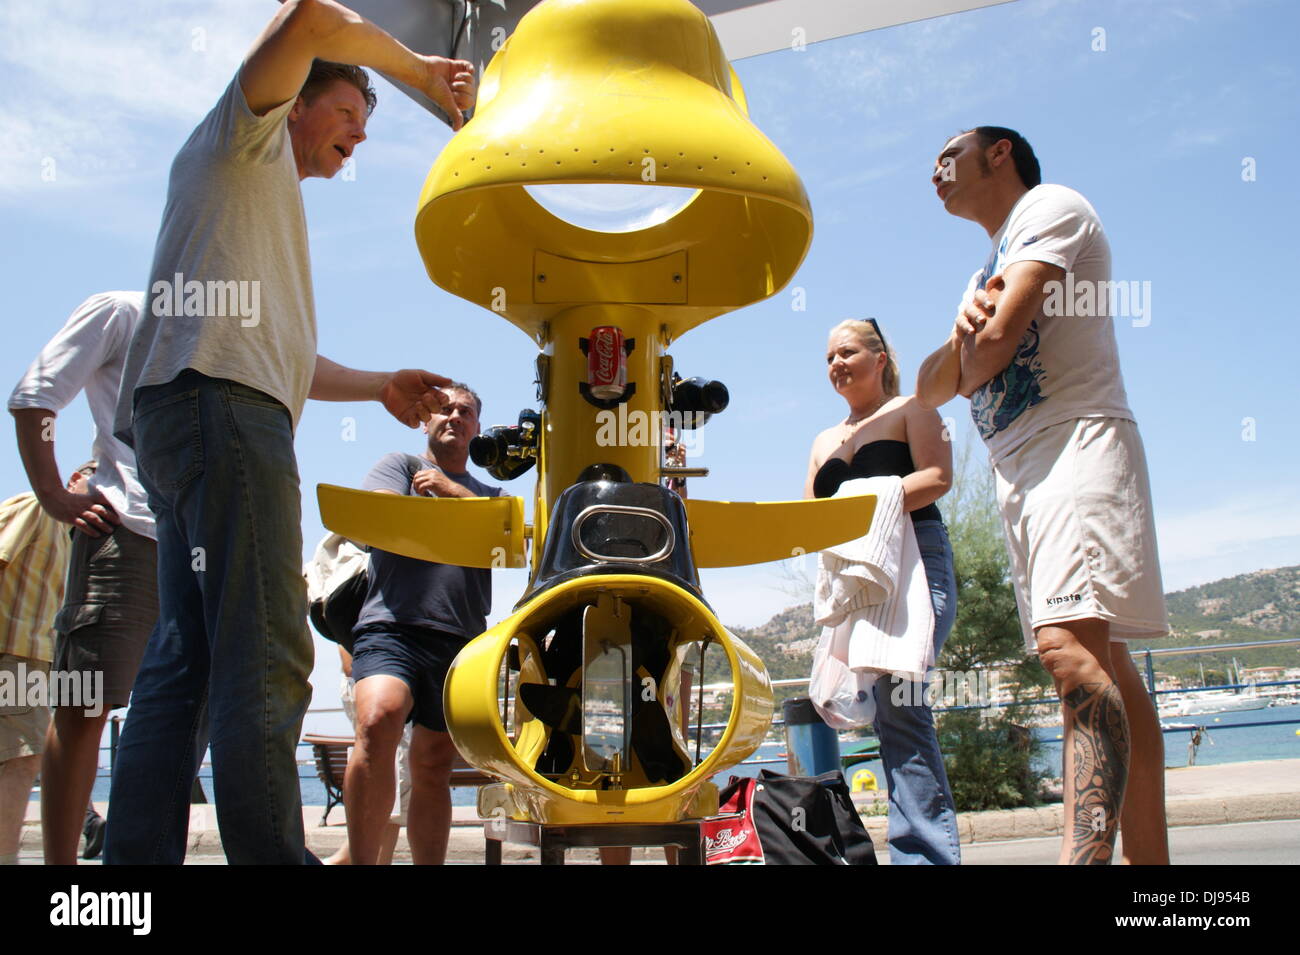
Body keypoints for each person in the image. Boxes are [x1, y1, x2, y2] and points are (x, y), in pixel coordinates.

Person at [105, 0, 476, 865]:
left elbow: (286, 360)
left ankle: (131, 875)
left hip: (187, 410)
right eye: (348, 111)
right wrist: (419, 71)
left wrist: (378, 383)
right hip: (224, 414)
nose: (359, 134)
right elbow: (309, 15)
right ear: (292, 102)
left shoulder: (254, 203)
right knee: (268, 643)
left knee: (186, 654)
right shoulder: (244, 137)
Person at [916, 126, 1168, 865]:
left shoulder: (1049, 208)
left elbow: (990, 348)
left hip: (1072, 446)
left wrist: (964, 353)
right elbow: (927, 391)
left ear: (1000, 154)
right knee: (1110, 666)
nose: (935, 171)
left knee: (1067, 654)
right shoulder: (980, 271)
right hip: (1020, 470)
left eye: (948, 154)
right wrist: (962, 351)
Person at [9, 291, 159, 865]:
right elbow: (35, 396)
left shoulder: (228, 322)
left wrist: (378, 385)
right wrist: (53, 493)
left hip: (203, 546)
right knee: (83, 711)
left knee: (177, 712)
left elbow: (307, 370)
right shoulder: (123, 310)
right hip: (127, 537)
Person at [804, 318, 960, 865]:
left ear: (880, 357)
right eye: (828, 358)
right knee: (886, 715)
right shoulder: (823, 439)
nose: (836, 365)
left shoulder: (915, 408)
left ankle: (922, 857)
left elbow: (939, 477)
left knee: (902, 709)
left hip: (916, 563)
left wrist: (863, 504)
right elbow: (809, 516)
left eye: (846, 352)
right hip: (855, 579)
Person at [345, 383, 500, 865]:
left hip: (461, 641)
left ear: (477, 428)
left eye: (466, 412)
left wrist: (453, 494)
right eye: (444, 409)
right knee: (378, 718)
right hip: (392, 626)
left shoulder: (490, 495)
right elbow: (375, 518)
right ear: (425, 419)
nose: (454, 417)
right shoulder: (399, 466)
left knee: (433, 765)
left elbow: (513, 535)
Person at [0, 471, 82, 864]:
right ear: (77, 478)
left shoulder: (69, 538)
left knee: (20, 754)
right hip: (13, 650)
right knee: (26, 755)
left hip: (32, 656)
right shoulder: (38, 507)